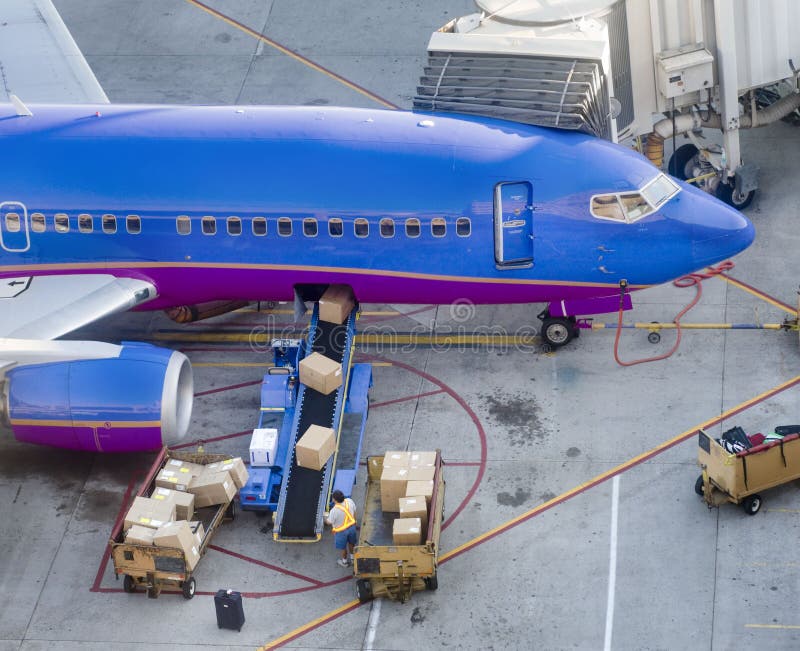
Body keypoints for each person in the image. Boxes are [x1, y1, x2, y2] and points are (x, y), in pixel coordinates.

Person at [325, 489, 357, 567]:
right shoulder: (349, 501)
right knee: (351, 543)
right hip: (352, 528)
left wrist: (325, 518)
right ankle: (353, 559)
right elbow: (355, 512)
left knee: (343, 548)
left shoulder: (334, 511)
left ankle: (344, 562)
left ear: (334, 500)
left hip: (341, 532)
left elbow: (329, 522)